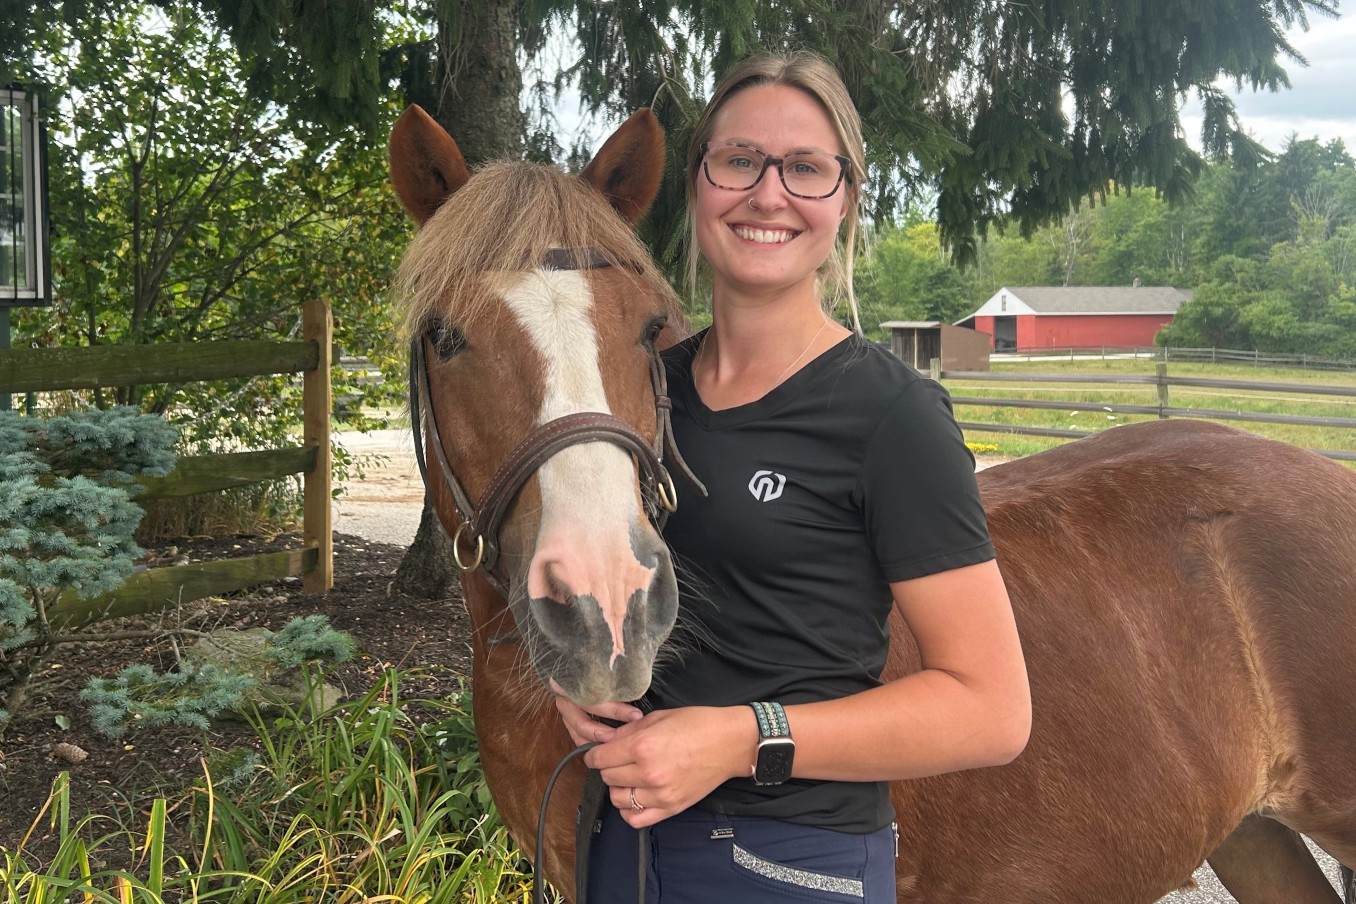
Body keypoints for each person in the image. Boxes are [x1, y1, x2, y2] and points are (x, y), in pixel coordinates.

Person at [555, 50, 1031, 903]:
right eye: (739, 160)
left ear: (845, 202)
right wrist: (577, 682)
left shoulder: (893, 418)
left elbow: (991, 709)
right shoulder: (636, 394)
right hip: (620, 846)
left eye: (806, 169)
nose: (768, 195)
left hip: (792, 862)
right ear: (698, 184)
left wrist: (742, 738)